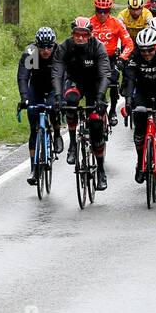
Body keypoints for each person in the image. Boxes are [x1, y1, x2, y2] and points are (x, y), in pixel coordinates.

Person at [52, 17, 111, 190]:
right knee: (70, 102)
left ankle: (100, 171)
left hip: (94, 86)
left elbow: (105, 74)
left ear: (89, 35)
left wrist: (101, 97)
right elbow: (57, 72)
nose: (80, 38)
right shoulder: (65, 47)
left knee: (95, 126)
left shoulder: (97, 47)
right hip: (75, 82)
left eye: (84, 35)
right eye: (77, 34)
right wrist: (57, 96)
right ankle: (72, 144)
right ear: (72, 34)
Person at [123, 26, 156, 184]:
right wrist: (127, 100)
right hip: (143, 92)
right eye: (143, 50)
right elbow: (131, 79)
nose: (146, 54)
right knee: (139, 124)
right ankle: (140, 162)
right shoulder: (135, 56)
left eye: (150, 50)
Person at [17, 26, 61, 184]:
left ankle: (56, 134)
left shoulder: (58, 53)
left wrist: (59, 97)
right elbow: (23, 77)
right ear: (37, 45)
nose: (46, 50)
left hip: (53, 88)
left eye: (49, 46)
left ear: (53, 45)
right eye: (42, 46)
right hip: (35, 87)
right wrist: (24, 98)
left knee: (53, 108)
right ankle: (34, 169)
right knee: (34, 124)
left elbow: (66, 76)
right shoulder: (32, 53)